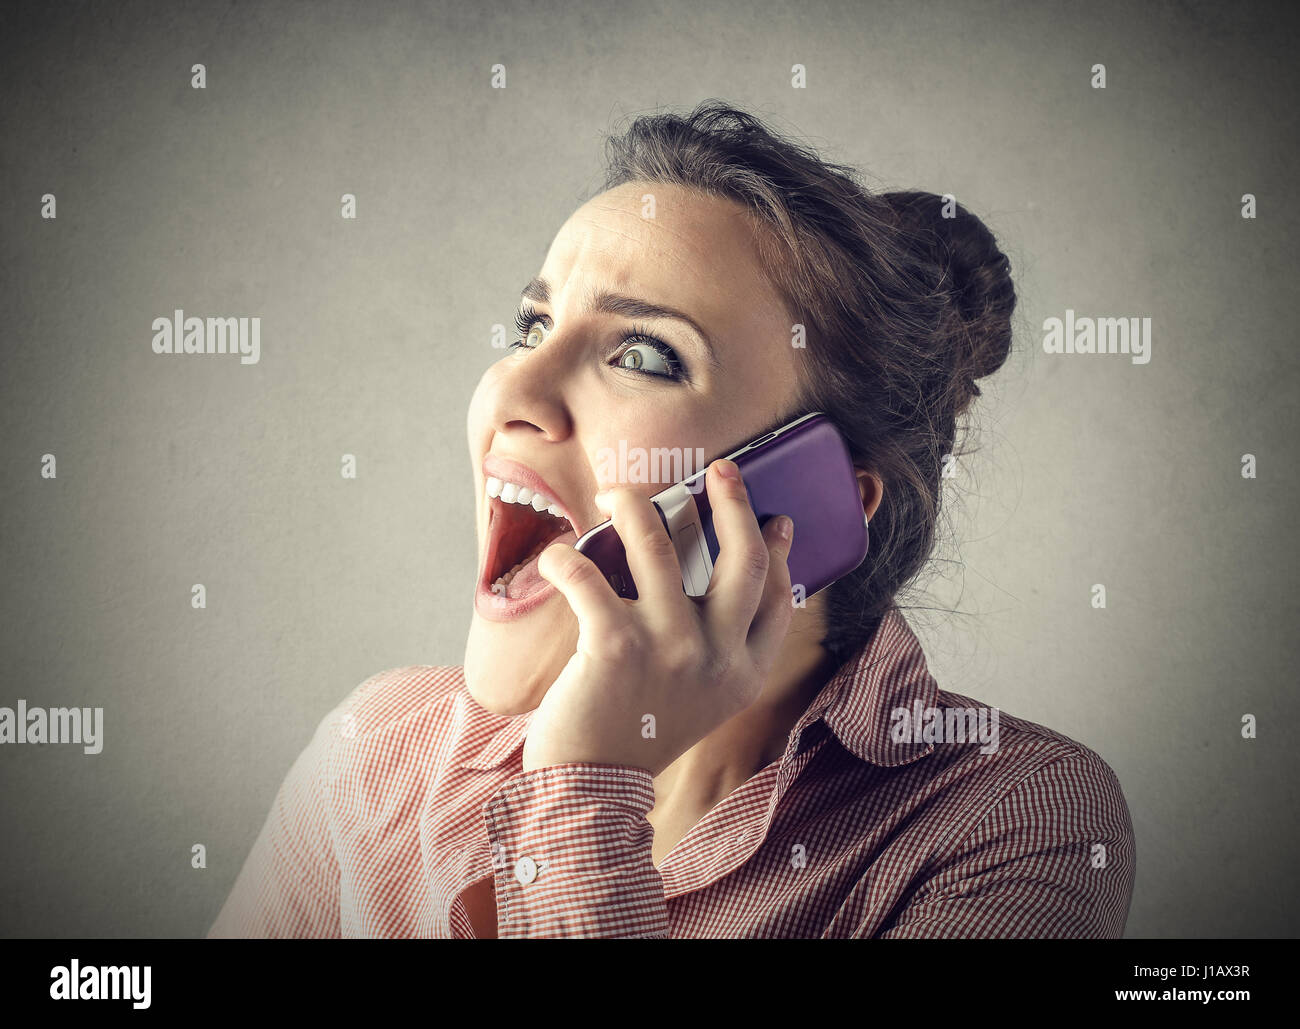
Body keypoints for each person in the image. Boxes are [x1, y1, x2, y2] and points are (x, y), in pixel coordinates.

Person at [208, 100, 1135, 939]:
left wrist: (581, 788)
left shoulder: (1014, 819)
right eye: (532, 327)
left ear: (812, 502)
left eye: (644, 353)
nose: (512, 388)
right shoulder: (379, 750)